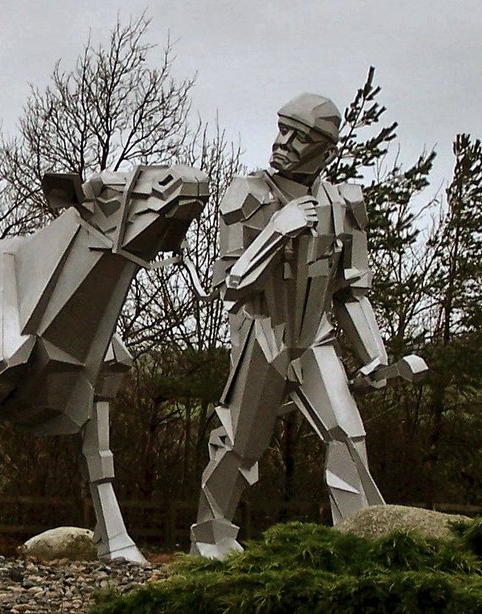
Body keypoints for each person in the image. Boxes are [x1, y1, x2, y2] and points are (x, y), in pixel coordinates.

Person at [190, 93, 390, 559]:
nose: (282, 142)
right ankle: (210, 542)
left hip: (315, 340)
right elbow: (232, 284)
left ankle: (359, 546)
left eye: (298, 136)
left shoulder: (344, 204)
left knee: (348, 436)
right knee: (239, 448)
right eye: (282, 129)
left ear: (325, 148)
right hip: (264, 336)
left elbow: (352, 291)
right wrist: (278, 229)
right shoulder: (249, 194)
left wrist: (373, 354)